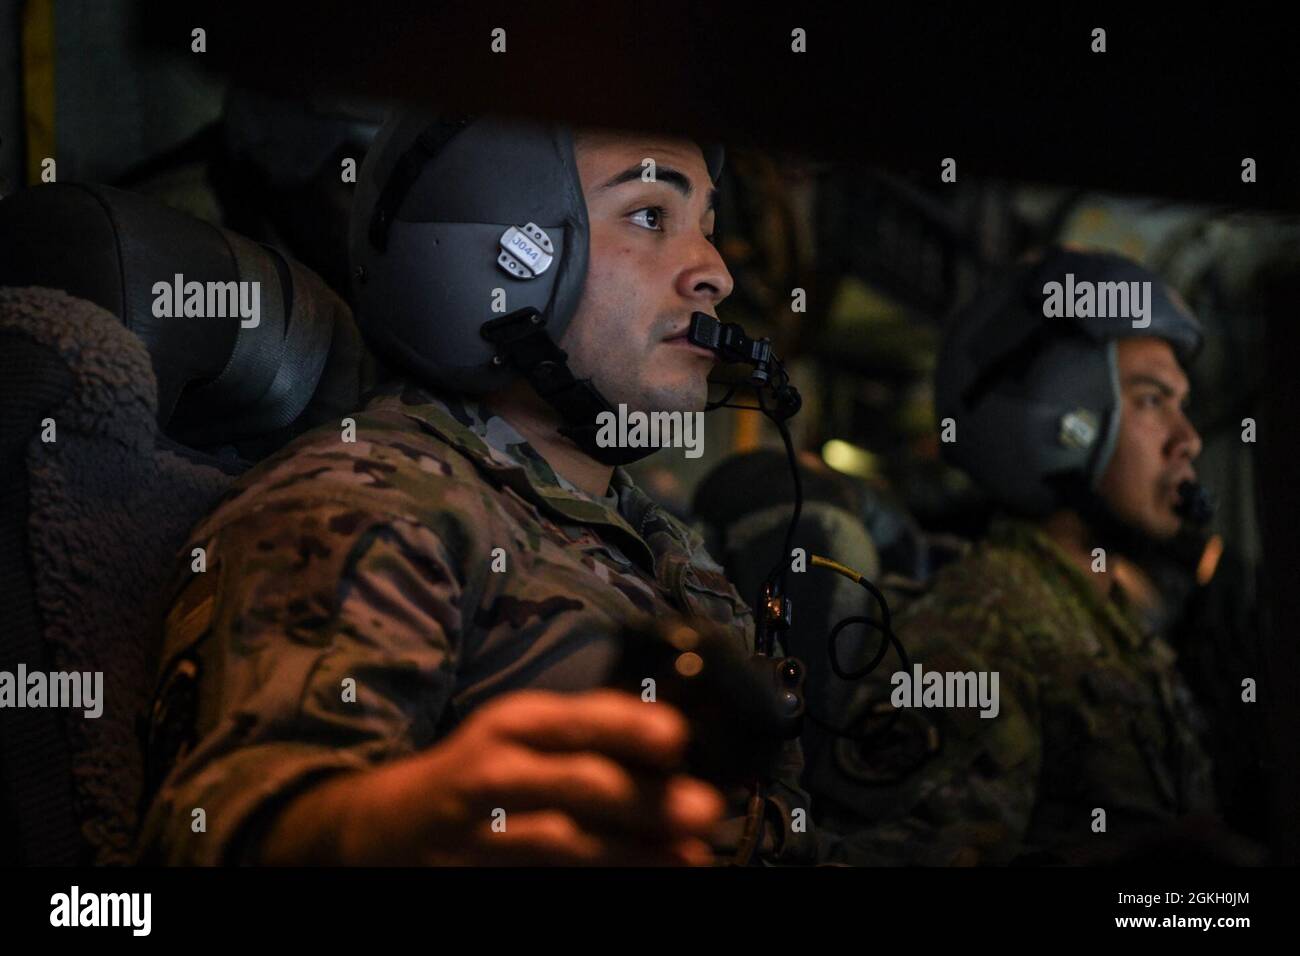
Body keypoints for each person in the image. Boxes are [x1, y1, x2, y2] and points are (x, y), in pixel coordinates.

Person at [136, 113, 818, 866]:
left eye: (708, 226)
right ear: (505, 262)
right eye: (652, 215)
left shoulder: (652, 537)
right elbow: (220, 828)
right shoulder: (367, 502)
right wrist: (395, 829)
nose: (714, 271)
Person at [821, 247, 1221, 865]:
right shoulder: (980, 626)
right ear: (1068, 419)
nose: (1187, 438)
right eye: (1151, 400)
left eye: (1180, 402)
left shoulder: (1112, 619)